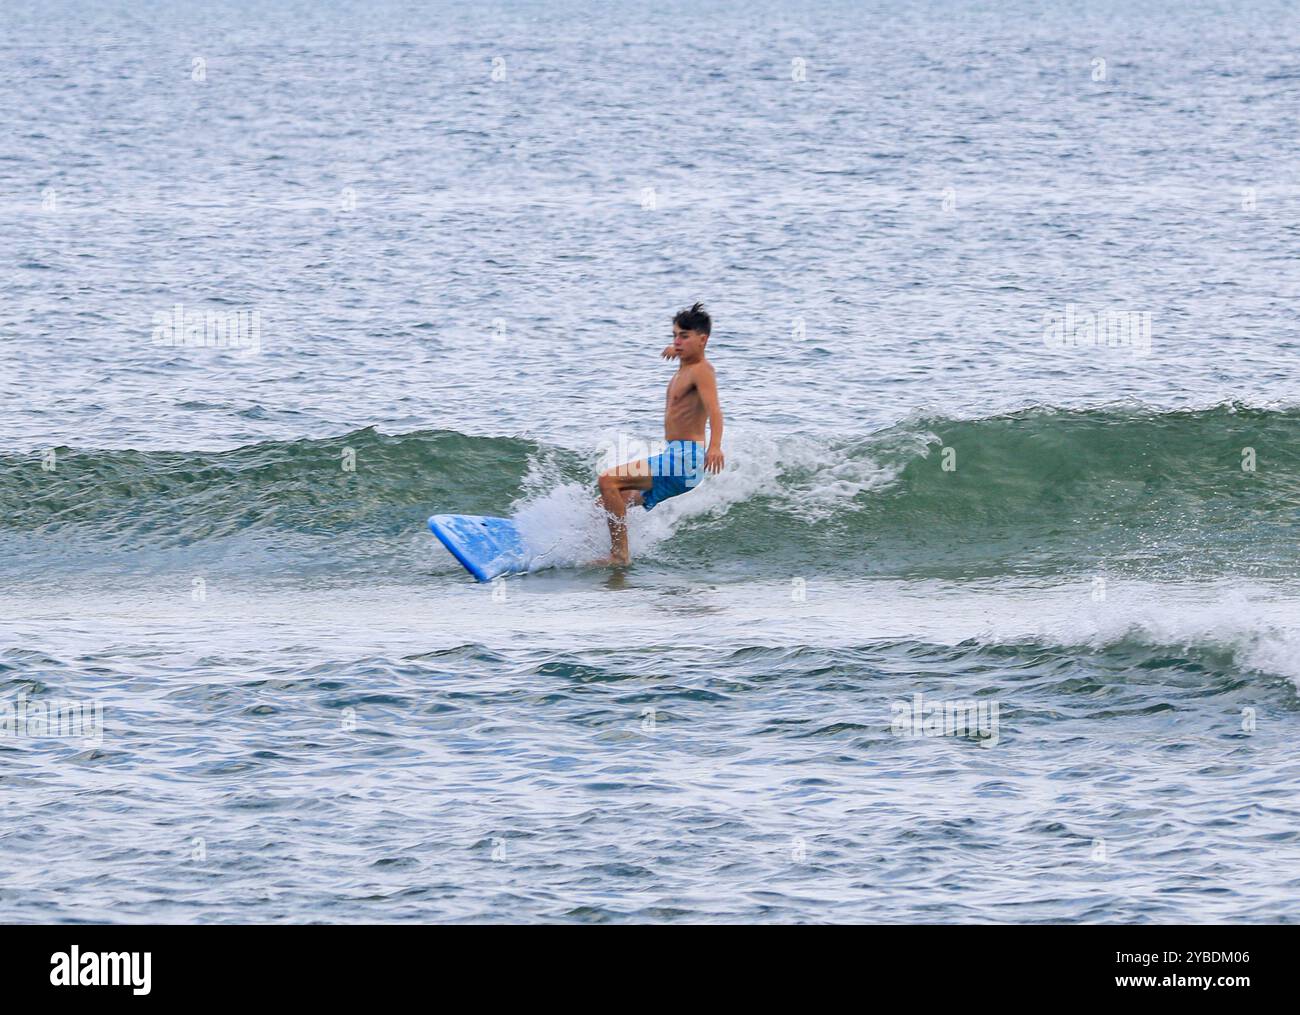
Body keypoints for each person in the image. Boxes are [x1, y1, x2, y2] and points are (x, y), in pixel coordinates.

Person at [594, 302, 725, 565]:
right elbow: (685, 352)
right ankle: (575, 544)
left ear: (703, 340)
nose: (677, 341)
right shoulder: (687, 365)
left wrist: (715, 446)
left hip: (685, 459)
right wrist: (677, 351)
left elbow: (715, 411)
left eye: (684, 337)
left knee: (608, 480)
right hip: (677, 459)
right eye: (674, 336)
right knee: (607, 502)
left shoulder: (702, 370)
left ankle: (619, 556)